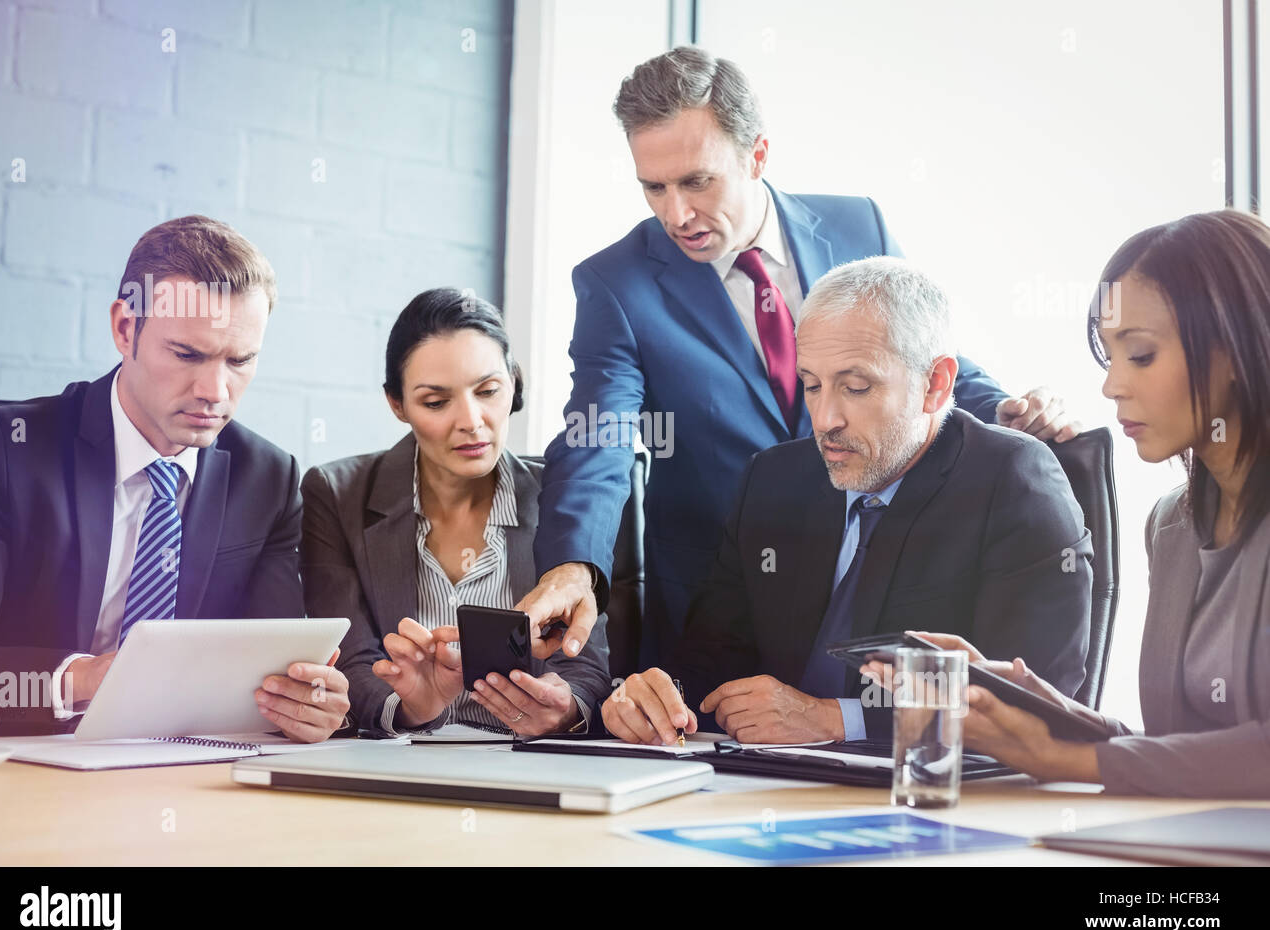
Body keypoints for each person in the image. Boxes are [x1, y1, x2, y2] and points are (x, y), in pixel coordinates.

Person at [518, 46, 1081, 674]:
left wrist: (1002, 405)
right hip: (725, 610)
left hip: (867, 577)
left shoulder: (856, 224)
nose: (676, 213)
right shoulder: (617, 284)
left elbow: (917, 350)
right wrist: (574, 565)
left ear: (756, 155)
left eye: (697, 181)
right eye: (654, 187)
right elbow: (600, 437)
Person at [862, 209, 1270, 797]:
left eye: (1142, 355)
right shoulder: (1174, 526)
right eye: (1110, 357)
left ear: (1233, 349)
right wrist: (1037, 704)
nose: (1112, 386)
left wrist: (1062, 761)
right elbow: (1179, 753)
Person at [601, 256, 1092, 745]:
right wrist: (661, 696)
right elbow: (712, 657)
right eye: (811, 385)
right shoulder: (772, 479)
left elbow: (1032, 704)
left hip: (925, 799)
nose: (824, 419)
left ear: (935, 384)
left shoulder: (1014, 480)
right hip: (764, 785)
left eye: (856, 387)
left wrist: (837, 720)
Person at [0, 215, 349, 740]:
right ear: (126, 330)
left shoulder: (268, 480)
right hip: (18, 761)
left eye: (240, 360)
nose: (215, 390)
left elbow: (273, 667)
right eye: (187, 354)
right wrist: (86, 678)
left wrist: (304, 706)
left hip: (183, 771)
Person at [300, 289, 611, 737]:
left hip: (528, 760)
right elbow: (350, 662)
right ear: (397, 404)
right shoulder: (336, 494)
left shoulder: (565, 497)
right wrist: (409, 708)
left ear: (514, 385)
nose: (471, 420)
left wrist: (563, 710)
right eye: (435, 402)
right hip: (399, 759)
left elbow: (585, 666)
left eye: (488, 391)